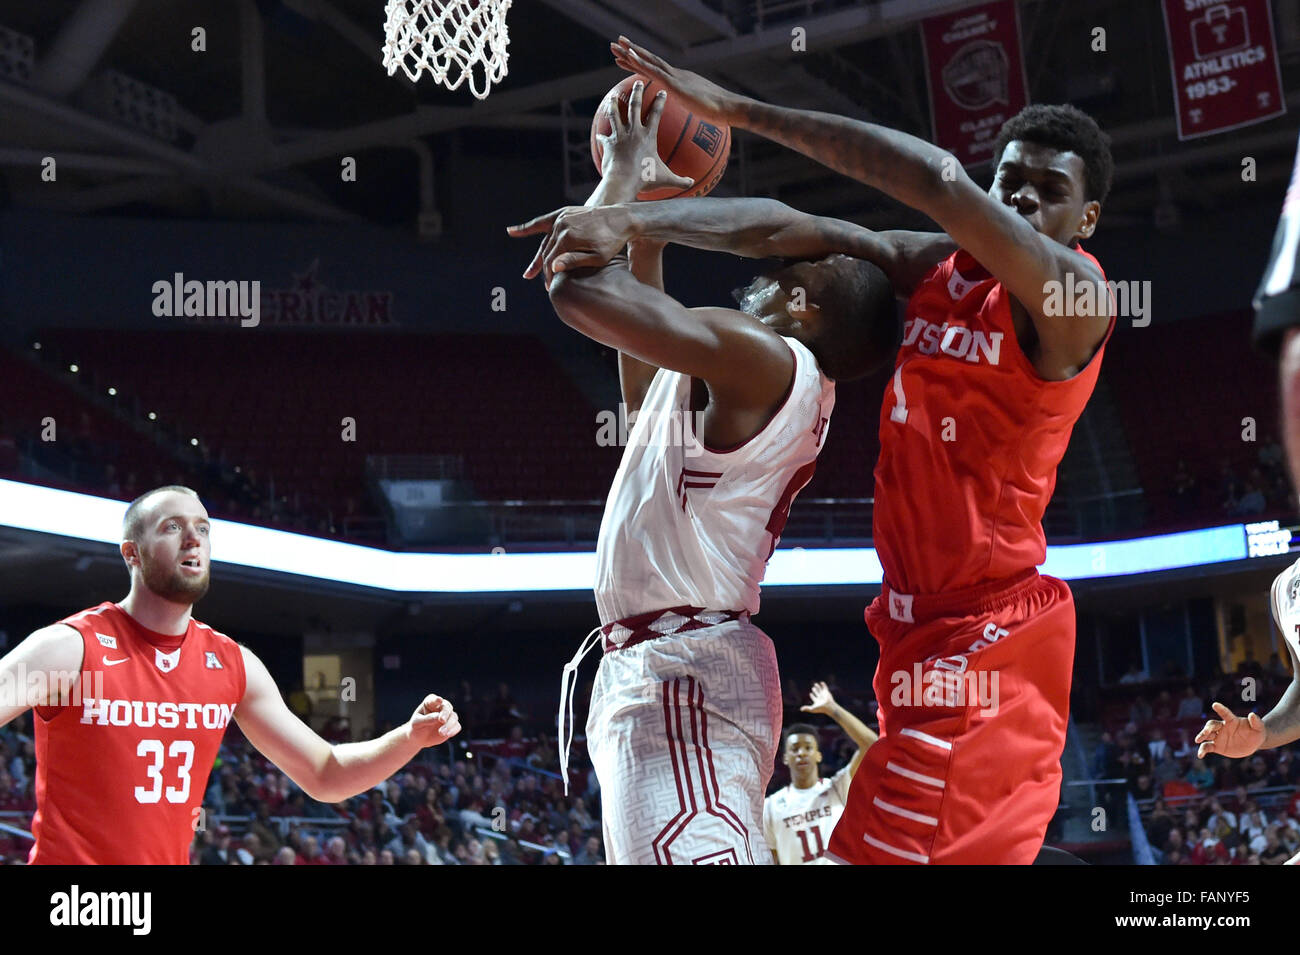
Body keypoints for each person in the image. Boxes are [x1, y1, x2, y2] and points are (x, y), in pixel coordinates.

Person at [531, 36, 1115, 864]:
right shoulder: (940, 270)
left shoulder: (1075, 297)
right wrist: (641, 218)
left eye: (1049, 192)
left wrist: (734, 111)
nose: (1020, 198)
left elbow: (940, 180)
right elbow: (794, 230)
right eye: (1009, 180)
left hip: (990, 633)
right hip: (912, 630)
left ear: (1084, 221)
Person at [509, 83, 894, 866]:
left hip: (681, 672)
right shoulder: (768, 380)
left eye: (797, 268)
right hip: (674, 666)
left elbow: (576, 288)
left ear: (810, 307)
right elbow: (645, 397)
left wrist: (619, 183)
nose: (773, 265)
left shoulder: (768, 358)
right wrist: (648, 227)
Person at [0, 485, 462, 864]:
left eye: (203, 528)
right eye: (172, 527)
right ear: (132, 553)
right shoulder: (68, 649)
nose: (193, 538)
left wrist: (409, 738)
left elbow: (325, 773)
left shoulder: (231, 665)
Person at [763, 681, 877, 864]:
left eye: (808, 747)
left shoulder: (837, 787)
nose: (801, 753)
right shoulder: (770, 806)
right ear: (785, 758)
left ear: (818, 755)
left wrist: (832, 709)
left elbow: (872, 745)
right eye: (795, 749)